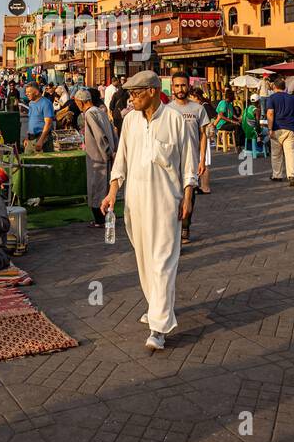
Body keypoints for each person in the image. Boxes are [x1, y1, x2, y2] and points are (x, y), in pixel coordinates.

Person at [101, 70, 198, 352]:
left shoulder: (176, 120)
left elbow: (190, 163)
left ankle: (159, 326)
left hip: (167, 201)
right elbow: (122, 161)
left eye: (136, 93)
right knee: (144, 259)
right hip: (136, 202)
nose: (132, 98)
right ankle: (156, 305)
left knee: (163, 261)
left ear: (153, 91)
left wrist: (188, 196)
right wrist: (112, 192)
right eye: (130, 93)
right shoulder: (130, 120)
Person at [167, 71, 208, 243]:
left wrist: (202, 159)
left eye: (183, 85)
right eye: (177, 86)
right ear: (172, 88)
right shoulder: (166, 110)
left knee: (189, 194)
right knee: (171, 196)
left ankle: (185, 226)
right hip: (172, 160)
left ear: (189, 86)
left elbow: (203, 134)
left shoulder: (198, 109)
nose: (180, 89)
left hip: (191, 159)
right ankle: (173, 231)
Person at [75, 88, 116, 227]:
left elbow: (99, 136)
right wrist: (113, 151)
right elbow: (112, 131)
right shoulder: (100, 112)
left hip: (98, 158)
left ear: (81, 102)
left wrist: (108, 151)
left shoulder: (90, 114)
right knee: (103, 188)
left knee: (97, 189)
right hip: (105, 155)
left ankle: (100, 220)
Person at [265, 76, 294, 186]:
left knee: (276, 154)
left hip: (277, 128)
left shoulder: (271, 98)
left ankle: (277, 175)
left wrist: (270, 129)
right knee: (290, 154)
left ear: (274, 87)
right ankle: (292, 176)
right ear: (284, 87)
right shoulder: (291, 98)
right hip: (290, 128)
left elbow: (270, 113)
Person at [24, 82, 55, 153]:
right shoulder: (31, 103)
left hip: (41, 138)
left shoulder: (46, 103)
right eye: (26, 92)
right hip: (31, 139)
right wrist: (27, 138)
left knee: (42, 162)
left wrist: (41, 140)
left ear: (36, 92)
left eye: (29, 92)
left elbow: (48, 124)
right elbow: (31, 121)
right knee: (27, 161)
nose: (26, 94)